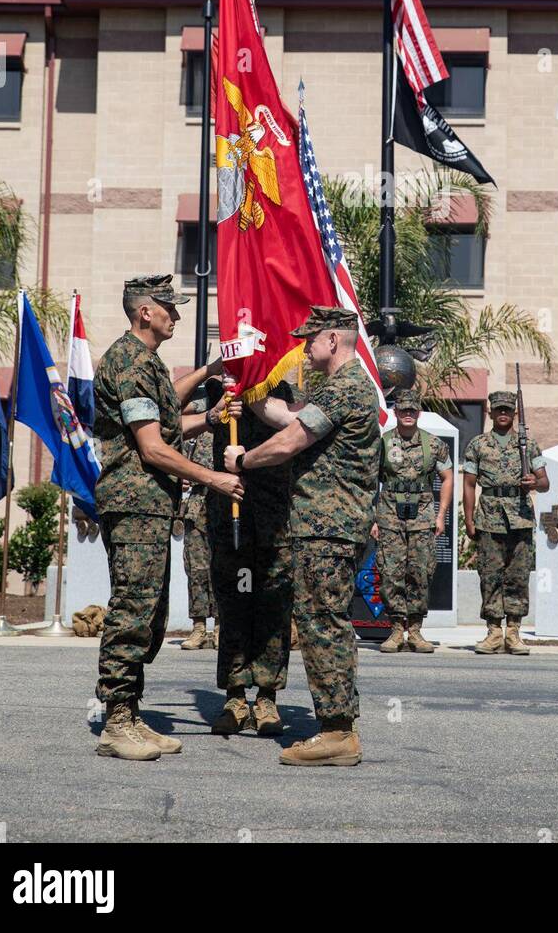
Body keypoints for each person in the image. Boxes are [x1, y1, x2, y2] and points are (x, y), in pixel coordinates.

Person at [92, 275, 243, 761]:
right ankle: (116, 721)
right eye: (169, 309)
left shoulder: (147, 362)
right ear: (145, 314)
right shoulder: (130, 362)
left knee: (152, 613)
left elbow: (170, 419)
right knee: (134, 609)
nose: (175, 316)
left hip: (150, 506)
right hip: (134, 503)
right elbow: (154, 448)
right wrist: (212, 478)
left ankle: (132, 713)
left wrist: (212, 407)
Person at [225, 305, 380, 767]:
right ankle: (337, 725)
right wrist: (250, 383)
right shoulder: (344, 388)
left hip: (328, 528)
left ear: (332, 340)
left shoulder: (348, 387)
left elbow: (290, 440)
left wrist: (242, 461)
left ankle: (336, 731)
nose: (303, 348)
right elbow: (286, 415)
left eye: (310, 340)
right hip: (327, 526)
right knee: (324, 621)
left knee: (322, 624)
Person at [207, 377, 296, 738]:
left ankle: (267, 696)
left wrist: (258, 400)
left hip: (273, 519)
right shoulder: (220, 391)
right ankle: (235, 695)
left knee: (273, 607)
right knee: (234, 604)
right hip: (233, 517)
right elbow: (200, 423)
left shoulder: (284, 394)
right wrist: (222, 408)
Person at [462, 390, 549, 656]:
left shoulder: (529, 445)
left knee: (518, 576)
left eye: (507, 410)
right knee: (490, 575)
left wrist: (534, 483)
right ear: (490, 413)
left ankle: (513, 632)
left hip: (520, 517)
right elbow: (468, 485)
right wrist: (468, 519)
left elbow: (545, 482)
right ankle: (493, 632)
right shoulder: (478, 445)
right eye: (498, 409)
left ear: (514, 414)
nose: (503, 414)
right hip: (489, 517)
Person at [373, 387, 453, 654]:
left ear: (418, 413)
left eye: (412, 410)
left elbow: (448, 478)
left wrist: (441, 516)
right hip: (389, 516)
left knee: (420, 573)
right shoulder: (383, 443)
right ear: (396, 413)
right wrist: (372, 517)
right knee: (390, 572)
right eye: (403, 410)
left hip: (422, 516)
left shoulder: (434, 444)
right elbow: (370, 481)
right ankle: (396, 630)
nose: (408, 414)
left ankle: (416, 630)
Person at [179, 392, 221, 651]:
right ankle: (198, 627)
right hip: (196, 504)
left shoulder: (235, 424)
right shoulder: (199, 423)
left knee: (221, 567)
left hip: (223, 503)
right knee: (196, 568)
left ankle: (220, 626)